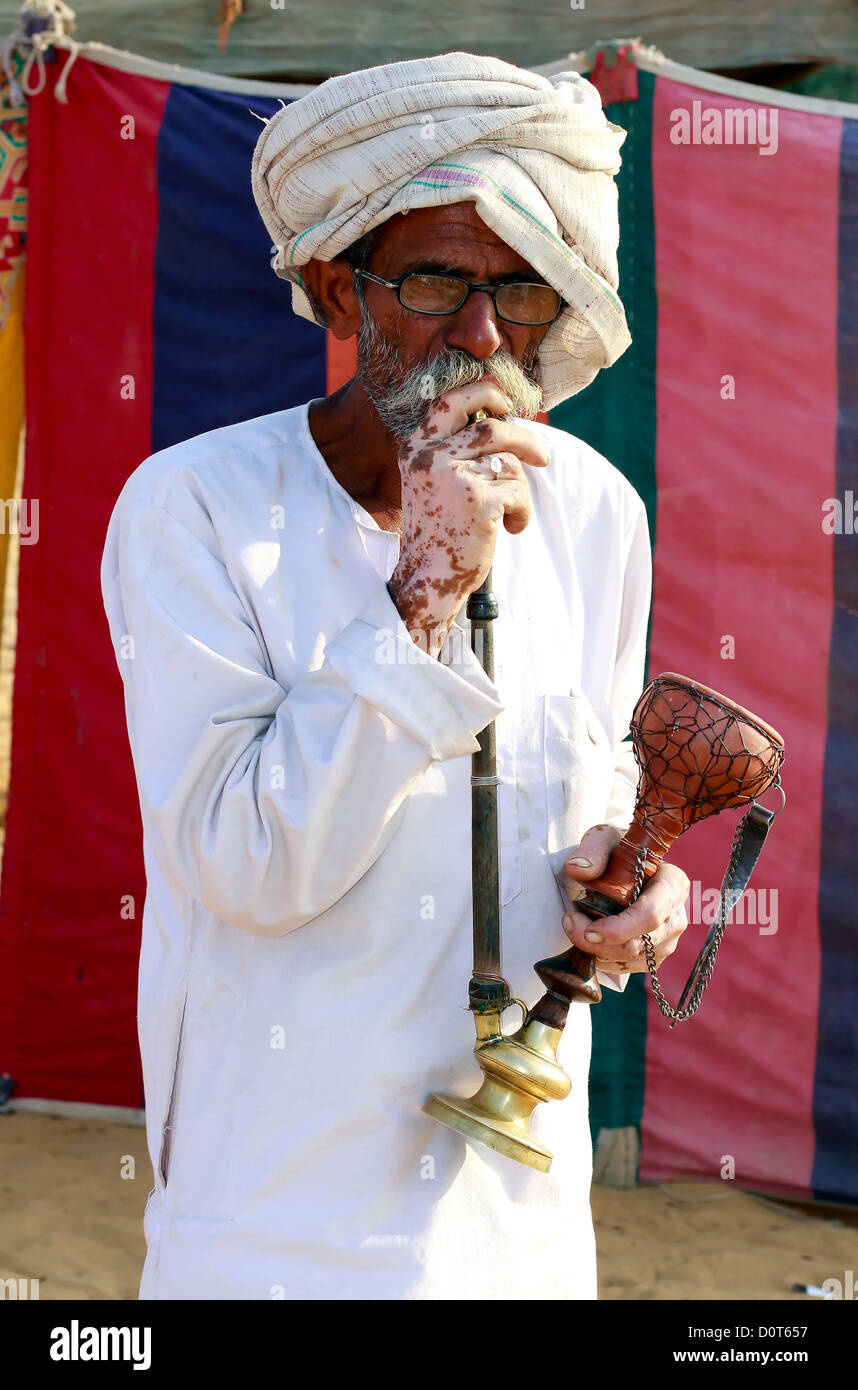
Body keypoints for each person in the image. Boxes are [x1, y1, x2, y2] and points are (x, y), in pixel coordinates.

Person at [101, 51, 690, 1300]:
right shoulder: (199, 510)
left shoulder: (594, 513)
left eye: (524, 291)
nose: (483, 335)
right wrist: (420, 597)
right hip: (270, 1238)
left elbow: (597, 809)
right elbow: (246, 868)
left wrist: (636, 893)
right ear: (334, 287)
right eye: (434, 280)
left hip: (520, 1241)